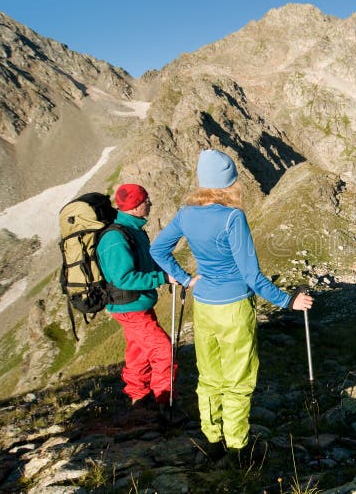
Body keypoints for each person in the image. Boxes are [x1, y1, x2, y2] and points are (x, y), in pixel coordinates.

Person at [150, 149, 313, 456]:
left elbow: (158, 251)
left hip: (204, 306)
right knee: (237, 379)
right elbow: (252, 276)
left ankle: (212, 442)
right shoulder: (232, 218)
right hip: (235, 307)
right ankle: (238, 448)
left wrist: (186, 279)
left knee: (209, 376)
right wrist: (289, 301)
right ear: (228, 183)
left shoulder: (186, 214)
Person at [97, 183, 189, 419]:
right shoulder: (116, 238)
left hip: (137, 305)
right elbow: (124, 278)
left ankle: (138, 398)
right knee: (163, 350)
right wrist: (162, 277)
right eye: (146, 200)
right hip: (131, 307)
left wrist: (170, 276)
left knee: (138, 353)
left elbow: (145, 264)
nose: (150, 203)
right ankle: (164, 401)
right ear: (135, 206)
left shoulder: (134, 230)